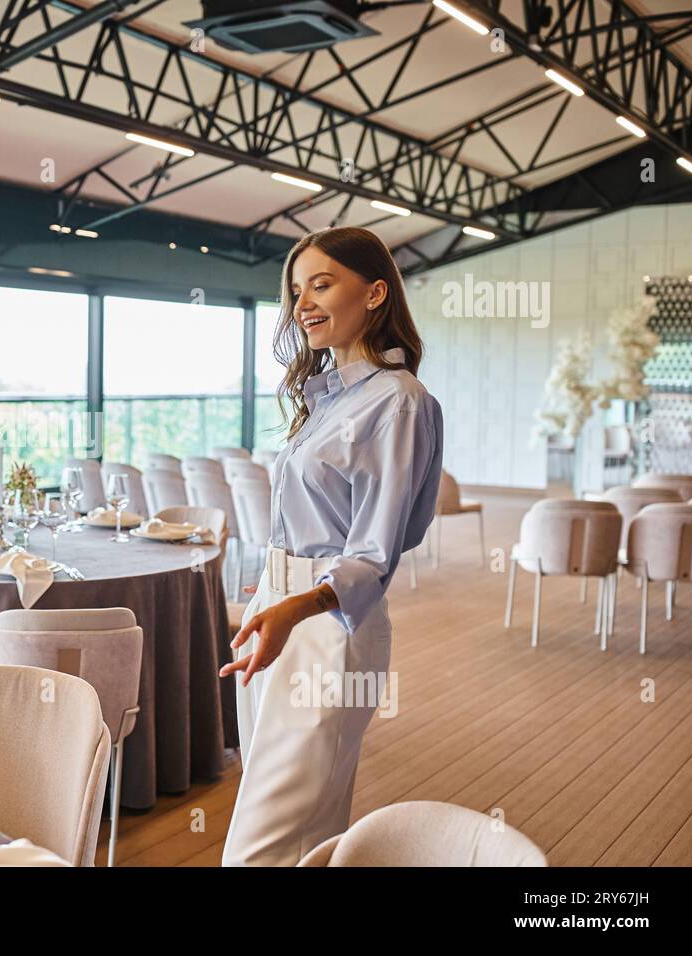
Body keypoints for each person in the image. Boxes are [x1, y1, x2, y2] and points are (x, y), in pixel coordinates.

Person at [220, 226, 443, 866]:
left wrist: (297, 599)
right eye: (296, 291)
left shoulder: (399, 402)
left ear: (375, 292)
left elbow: (376, 553)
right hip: (279, 606)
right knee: (303, 835)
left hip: (325, 625)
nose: (303, 304)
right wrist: (274, 585)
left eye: (322, 284)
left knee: (260, 846)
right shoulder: (327, 399)